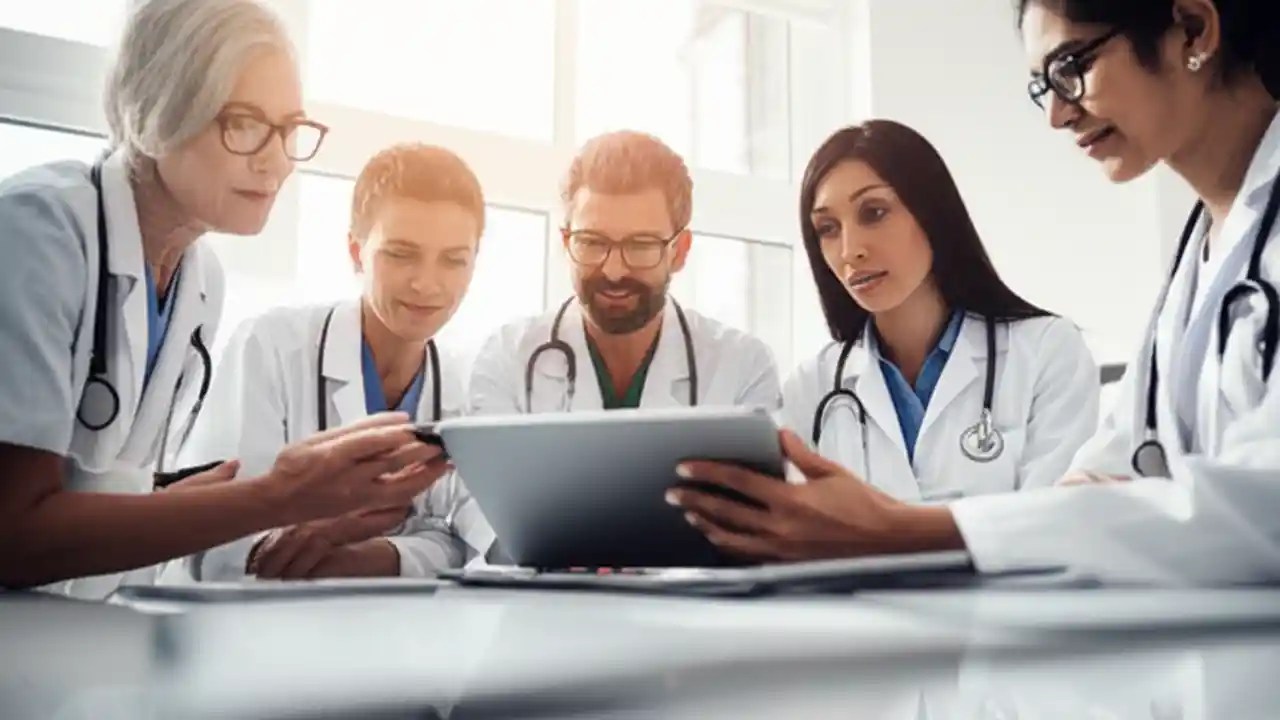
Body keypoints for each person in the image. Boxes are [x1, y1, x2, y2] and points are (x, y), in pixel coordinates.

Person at [669, 0, 1280, 584]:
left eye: (1071, 67)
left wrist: (905, 530)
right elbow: (1111, 474)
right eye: (1043, 86)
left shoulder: (1050, 345)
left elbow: (1255, 506)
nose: (1057, 115)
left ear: (1194, 30)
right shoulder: (1200, 258)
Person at [0, 0, 439, 598]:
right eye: (244, 124)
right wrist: (275, 495)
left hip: (78, 629)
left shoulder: (199, 280)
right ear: (158, 107)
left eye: (288, 130)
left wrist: (302, 508)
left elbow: (106, 491)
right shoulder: (39, 232)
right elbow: (13, 532)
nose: (277, 160)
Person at [464, 130, 782, 557]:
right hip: (546, 611)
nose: (614, 270)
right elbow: (484, 515)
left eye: (641, 245)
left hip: (688, 614)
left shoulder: (742, 366)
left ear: (680, 251)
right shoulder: (507, 358)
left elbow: (753, 526)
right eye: (592, 243)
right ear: (565, 242)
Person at [176, 144, 484, 581]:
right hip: (256, 625)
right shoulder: (272, 348)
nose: (427, 283)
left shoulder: (467, 386)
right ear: (357, 252)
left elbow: (469, 544)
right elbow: (217, 539)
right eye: (400, 254)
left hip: (403, 633)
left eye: (454, 260)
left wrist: (366, 557)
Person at [781, 120, 1099, 502]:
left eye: (874, 212)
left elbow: (1053, 523)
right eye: (828, 228)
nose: (850, 251)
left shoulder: (1048, 350)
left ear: (932, 212)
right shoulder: (812, 388)